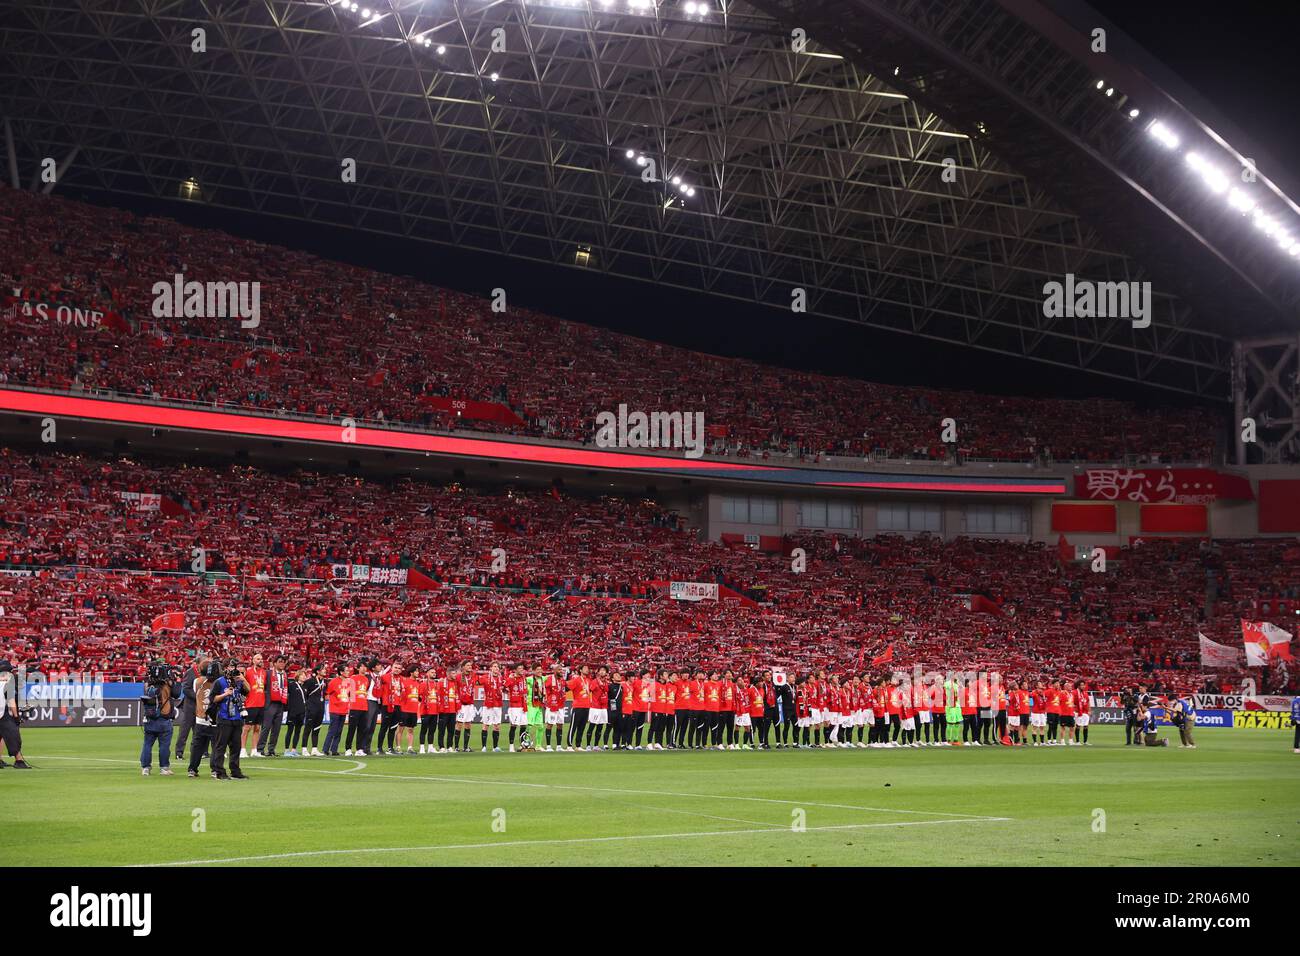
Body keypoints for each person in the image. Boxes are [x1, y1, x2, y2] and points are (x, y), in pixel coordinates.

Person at [211, 662, 250, 779]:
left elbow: (248, 691)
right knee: (221, 746)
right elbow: (213, 698)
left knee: (236, 746)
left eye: (235, 667)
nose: (233, 669)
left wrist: (243, 679)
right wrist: (224, 694)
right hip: (224, 717)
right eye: (231, 667)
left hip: (237, 717)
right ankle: (219, 772)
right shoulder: (219, 682)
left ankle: (235, 771)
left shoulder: (238, 681)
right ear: (225, 668)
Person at [140, 662, 177, 776]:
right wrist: (171, 678)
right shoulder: (166, 685)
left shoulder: (147, 684)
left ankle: (145, 768)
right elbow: (176, 693)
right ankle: (164, 768)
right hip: (163, 719)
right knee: (164, 746)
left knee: (147, 744)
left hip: (150, 718)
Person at [187, 660, 220, 777]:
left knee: (197, 746)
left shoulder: (197, 681)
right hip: (215, 719)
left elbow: (195, 692)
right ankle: (215, 770)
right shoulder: (219, 682)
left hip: (200, 718)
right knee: (216, 745)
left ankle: (192, 769)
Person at [173, 655, 207, 761]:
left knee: (199, 731)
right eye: (204, 662)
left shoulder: (205, 674)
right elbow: (186, 689)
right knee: (185, 730)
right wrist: (197, 696)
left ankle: (199, 752)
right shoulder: (190, 672)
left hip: (200, 707)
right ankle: (179, 752)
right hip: (190, 706)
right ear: (198, 663)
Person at [0, 660, 31, 769]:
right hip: (3, 714)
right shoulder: (8, 684)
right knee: (13, 736)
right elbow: (11, 701)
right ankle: (19, 761)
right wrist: (16, 716)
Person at [257, 655, 289, 756]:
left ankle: (271, 749)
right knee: (266, 727)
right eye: (280, 661)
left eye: (283, 662)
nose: (282, 663)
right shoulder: (268, 673)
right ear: (274, 663)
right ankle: (260, 749)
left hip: (280, 704)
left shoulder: (285, 675)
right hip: (270, 703)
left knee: (277, 728)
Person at [240, 652, 266, 758]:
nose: (261, 660)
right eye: (258, 659)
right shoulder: (248, 672)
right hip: (250, 703)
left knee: (257, 728)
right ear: (253, 660)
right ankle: (242, 750)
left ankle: (254, 750)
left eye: (261, 659)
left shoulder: (264, 672)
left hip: (261, 703)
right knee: (246, 728)